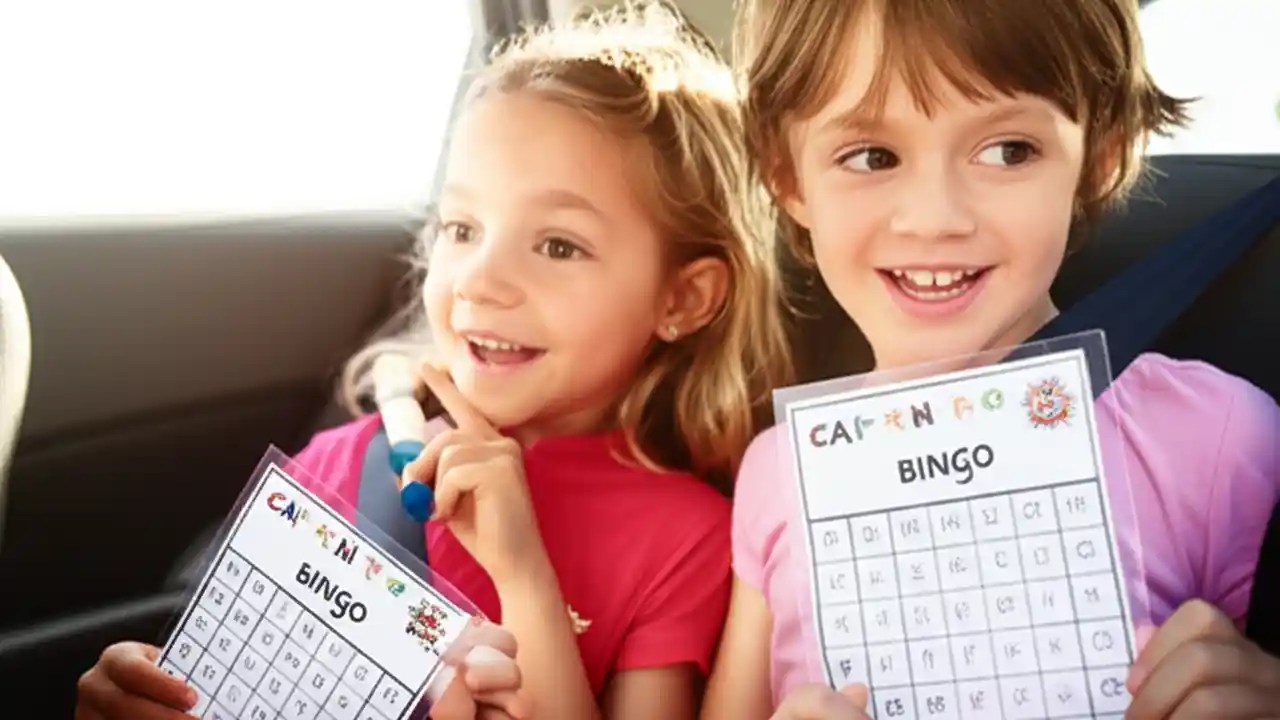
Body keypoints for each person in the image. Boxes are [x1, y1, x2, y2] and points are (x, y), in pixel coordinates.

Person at [701, 0, 1280, 718]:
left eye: (1008, 150)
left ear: (1099, 156)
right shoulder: (778, 471)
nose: (935, 216)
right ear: (787, 178)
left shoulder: (1221, 436)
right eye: (871, 157)